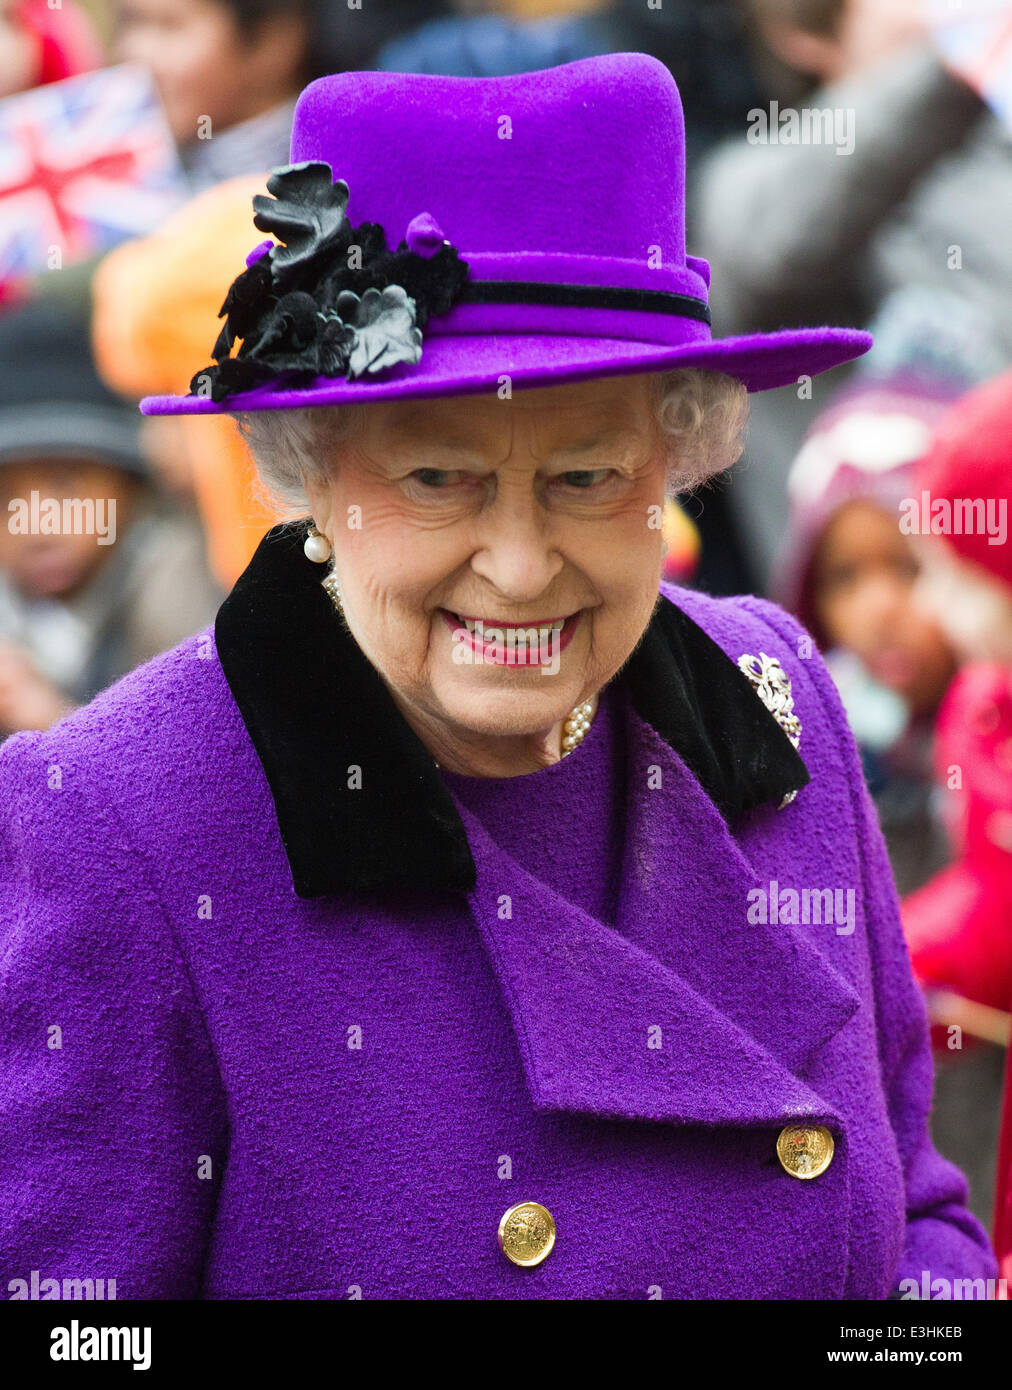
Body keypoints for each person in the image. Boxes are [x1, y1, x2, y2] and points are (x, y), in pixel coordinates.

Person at [0, 52, 995, 1299]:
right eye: (436, 478)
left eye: (585, 476)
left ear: (674, 464)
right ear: (312, 471)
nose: (521, 569)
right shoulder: (123, 818)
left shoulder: (768, 691)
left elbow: (910, 1201)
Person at [0, 298, 222, 737]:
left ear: (131, 485)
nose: (36, 525)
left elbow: (195, 778)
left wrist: (53, 723)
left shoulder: (181, 591)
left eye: (65, 483)